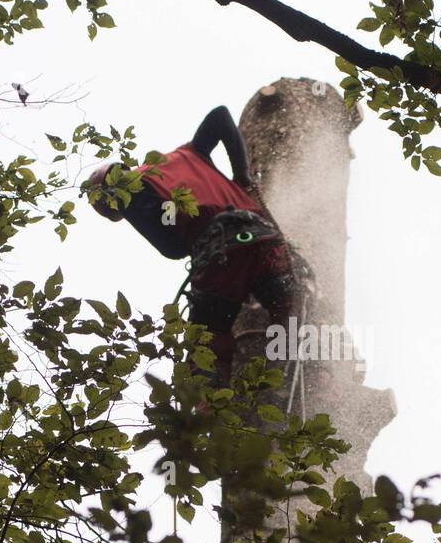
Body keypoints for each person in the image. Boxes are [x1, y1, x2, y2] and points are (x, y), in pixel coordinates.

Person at [88, 106, 296, 384]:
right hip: (265, 242)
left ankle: (209, 412)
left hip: (221, 257)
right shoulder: (185, 155)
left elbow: (171, 247)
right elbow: (221, 116)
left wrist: (174, 222)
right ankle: (287, 364)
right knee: (285, 308)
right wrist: (241, 176)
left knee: (205, 345)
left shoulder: (128, 191)